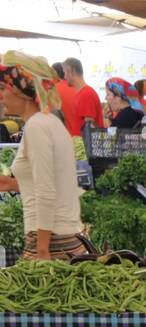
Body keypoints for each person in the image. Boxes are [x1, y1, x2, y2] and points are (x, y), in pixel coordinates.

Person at [0, 54, 83, 260]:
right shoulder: (51, 122)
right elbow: (52, 181)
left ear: (22, 92)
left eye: (3, 89)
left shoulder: (37, 127)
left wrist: (42, 251)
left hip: (50, 241)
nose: (1, 97)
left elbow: (46, 191)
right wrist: (11, 184)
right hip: (61, 236)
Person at [61, 55, 103, 135]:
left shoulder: (86, 94)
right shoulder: (83, 93)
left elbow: (89, 127)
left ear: (71, 71)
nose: (65, 77)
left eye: (65, 72)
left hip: (83, 145)